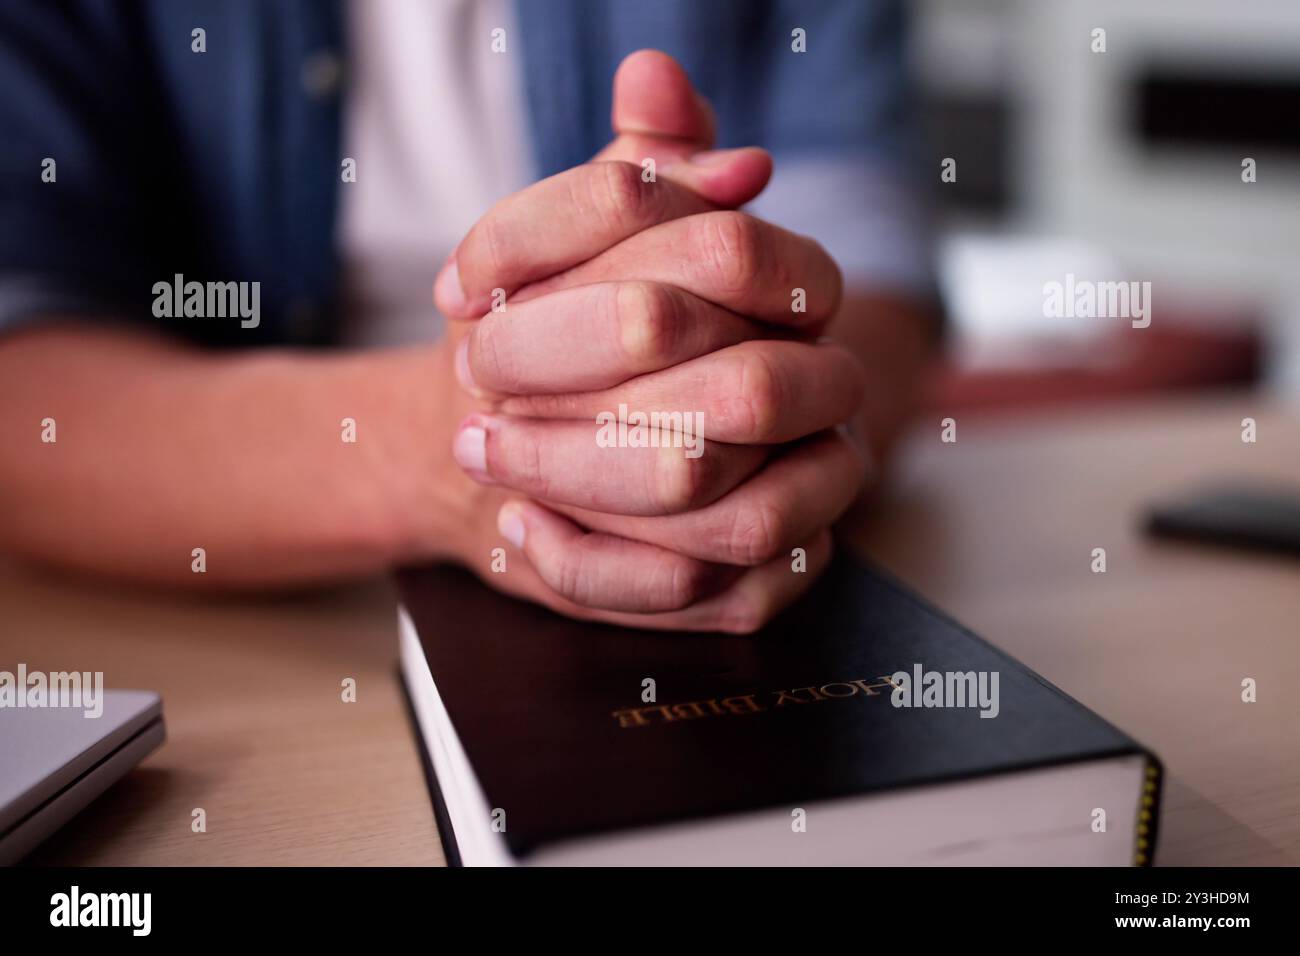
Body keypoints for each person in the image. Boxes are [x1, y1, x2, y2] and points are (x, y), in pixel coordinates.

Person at [0, 0, 941, 632]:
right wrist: (457, 443)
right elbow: (25, 392)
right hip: (249, 631)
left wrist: (753, 394)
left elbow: (867, 255)